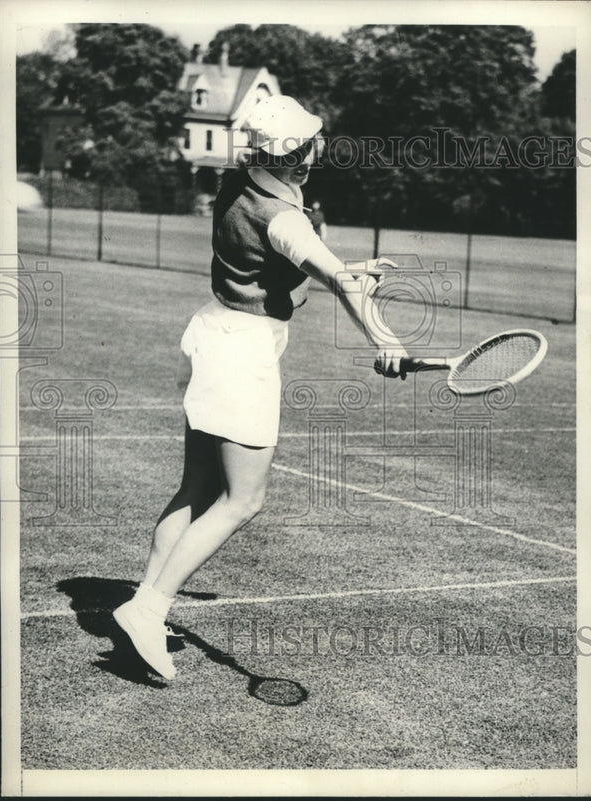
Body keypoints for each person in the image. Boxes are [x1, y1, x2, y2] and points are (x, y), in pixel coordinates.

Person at [113, 95, 418, 680]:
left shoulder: (238, 180)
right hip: (241, 352)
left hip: (210, 331)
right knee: (243, 499)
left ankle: (143, 602)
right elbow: (331, 274)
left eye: (305, 146)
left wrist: (345, 265)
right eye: (298, 150)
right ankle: (149, 610)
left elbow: (310, 257)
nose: (305, 158)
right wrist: (384, 338)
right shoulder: (286, 216)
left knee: (196, 489)